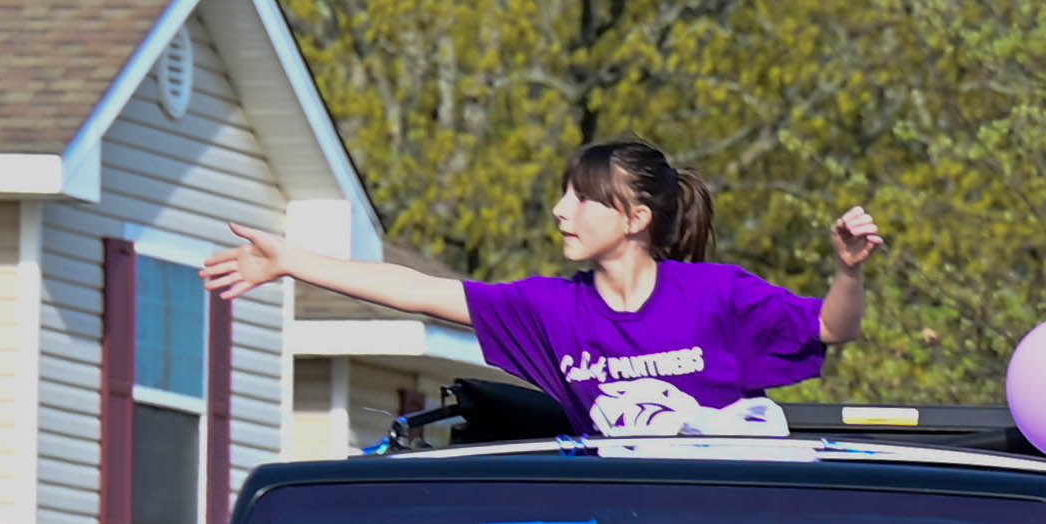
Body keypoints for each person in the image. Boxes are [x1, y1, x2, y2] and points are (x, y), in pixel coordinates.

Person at [207, 141, 882, 437]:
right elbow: (414, 288)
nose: (561, 211)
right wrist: (292, 259)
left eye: (581, 198)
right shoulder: (551, 309)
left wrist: (848, 271)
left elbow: (831, 328)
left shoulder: (717, 296)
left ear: (635, 218)